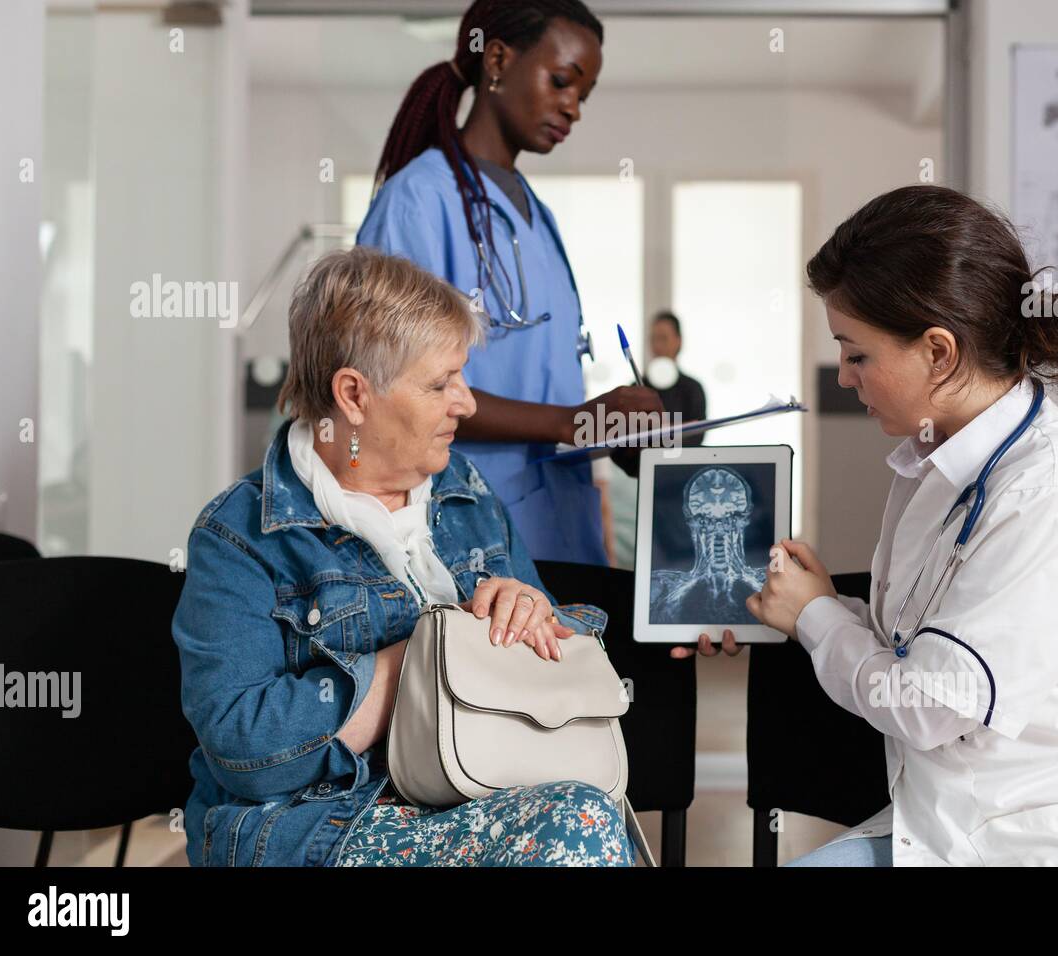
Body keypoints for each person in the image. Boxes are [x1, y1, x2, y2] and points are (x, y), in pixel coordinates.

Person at [744, 185, 1058, 866]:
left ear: (939, 352)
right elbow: (916, 645)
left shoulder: (1051, 493)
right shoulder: (936, 463)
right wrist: (790, 608)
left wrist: (816, 618)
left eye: (856, 353)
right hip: (946, 820)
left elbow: (928, 703)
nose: (843, 377)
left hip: (1049, 834)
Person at [172, 248, 633, 866]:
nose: (466, 403)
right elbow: (244, 751)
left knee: (588, 817)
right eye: (441, 383)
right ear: (354, 395)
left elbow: (551, 654)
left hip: (480, 789)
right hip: (319, 823)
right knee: (576, 828)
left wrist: (532, 613)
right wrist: (424, 658)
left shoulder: (466, 491)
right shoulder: (238, 537)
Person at [356, 0, 662, 567]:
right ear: (496, 59)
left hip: (560, 533)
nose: (573, 108)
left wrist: (619, 436)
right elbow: (394, 385)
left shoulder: (537, 215)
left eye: (583, 96)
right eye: (562, 81)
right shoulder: (418, 201)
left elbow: (546, 382)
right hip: (465, 538)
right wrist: (575, 422)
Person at [646, 310, 707, 447]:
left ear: (678, 341)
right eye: (653, 339)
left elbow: (697, 435)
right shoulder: (636, 389)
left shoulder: (693, 389)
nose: (657, 346)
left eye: (663, 338)